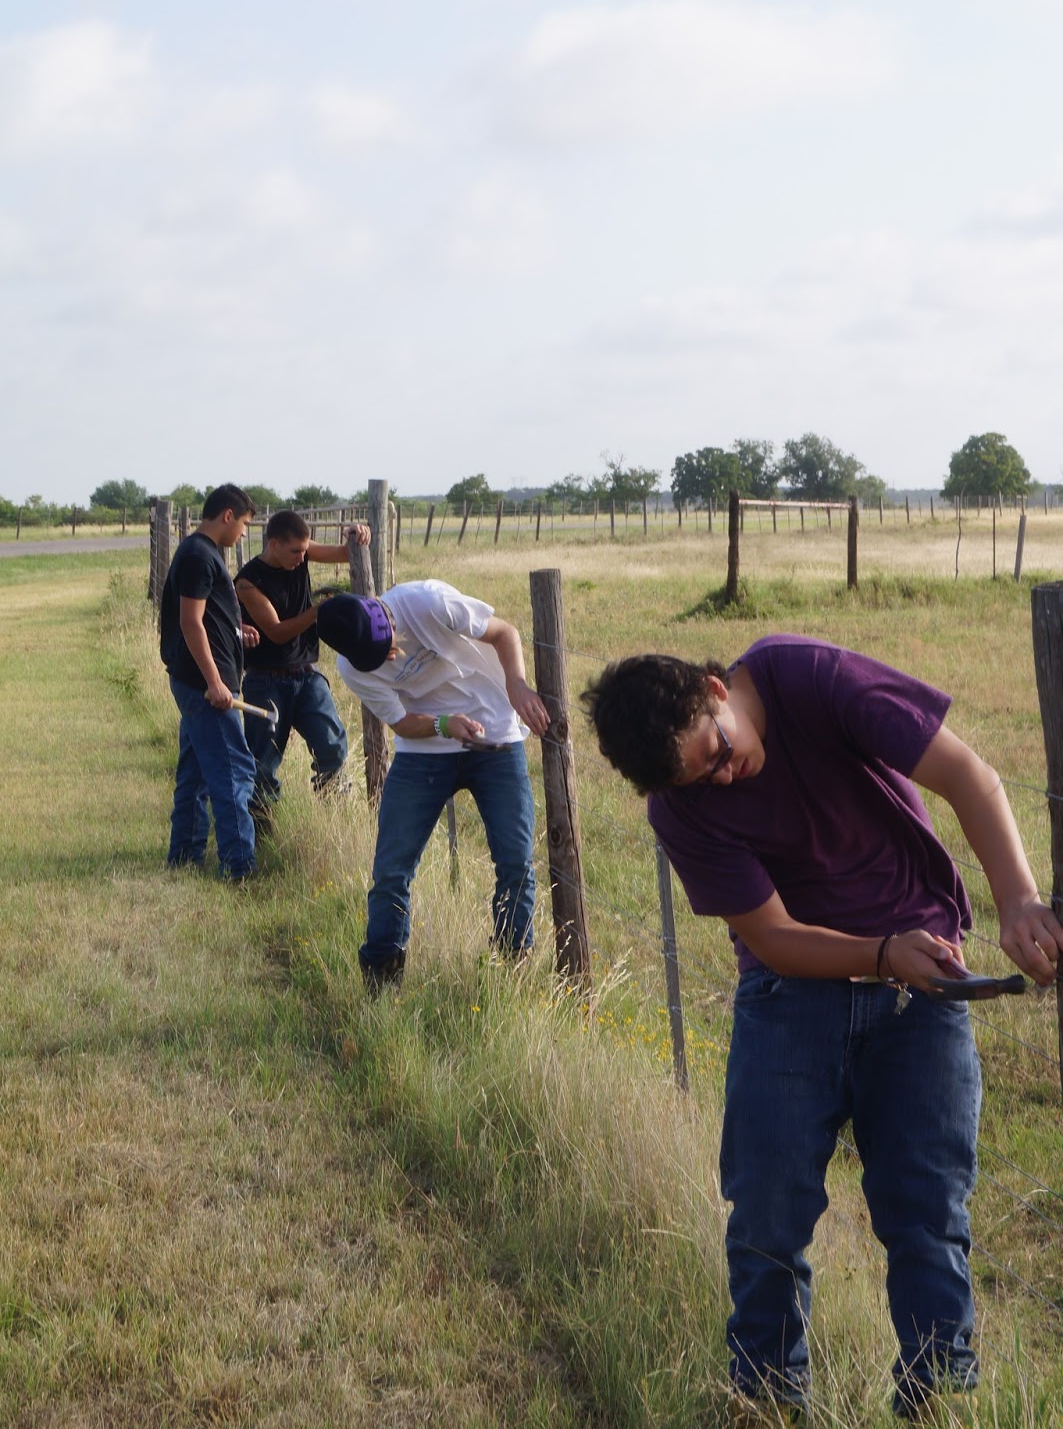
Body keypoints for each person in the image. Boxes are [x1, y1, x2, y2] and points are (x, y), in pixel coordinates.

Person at [581, 633, 1061, 1422]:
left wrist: (1015, 899)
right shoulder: (678, 809)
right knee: (766, 1217)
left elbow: (964, 774)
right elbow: (770, 937)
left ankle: (936, 1405)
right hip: (788, 996)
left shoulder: (808, 676)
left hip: (923, 990)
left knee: (927, 1216)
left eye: (718, 751)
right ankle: (769, 1404)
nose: (721, 777)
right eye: (697, 778)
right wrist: (879, 955)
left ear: (715, 688)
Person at [315, 579, 550, 992]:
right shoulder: (351, 669)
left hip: (496, 735)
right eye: (377, 659)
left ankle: (512, 974)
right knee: (391, 869)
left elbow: (503, 633)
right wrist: (445, 724)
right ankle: (381, 982)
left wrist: (515, 684)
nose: (391, 656)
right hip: (423, 754)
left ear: (384, 613)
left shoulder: (428, 602)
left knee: (515, 861)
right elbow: (402, 722)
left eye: (388, 643)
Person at [234, 510, 371, 826]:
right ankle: (262, 833)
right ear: (274, 544)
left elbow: (345, 553)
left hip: (307, 676)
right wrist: (317, 611)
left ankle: (336, 824)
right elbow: (277, 632)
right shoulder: (248, 581)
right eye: (295, 551)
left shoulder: (301, 552)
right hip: (265, 682)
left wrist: (358, 534)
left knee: (333, 749)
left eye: (304, 550)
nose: (301, 557)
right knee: (262, 764)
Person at [159, 483, 259, 880]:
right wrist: (216, 683)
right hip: (206, 686)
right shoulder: (200, 555)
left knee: (197, 771)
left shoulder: (203, 552)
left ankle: (185, 856)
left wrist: (237, 630)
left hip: (197, 679)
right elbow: (189, 622)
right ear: (228, 516)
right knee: (234, 771)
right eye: (246, 524)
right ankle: (238, 867)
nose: (245, 534)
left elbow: (207, 616)